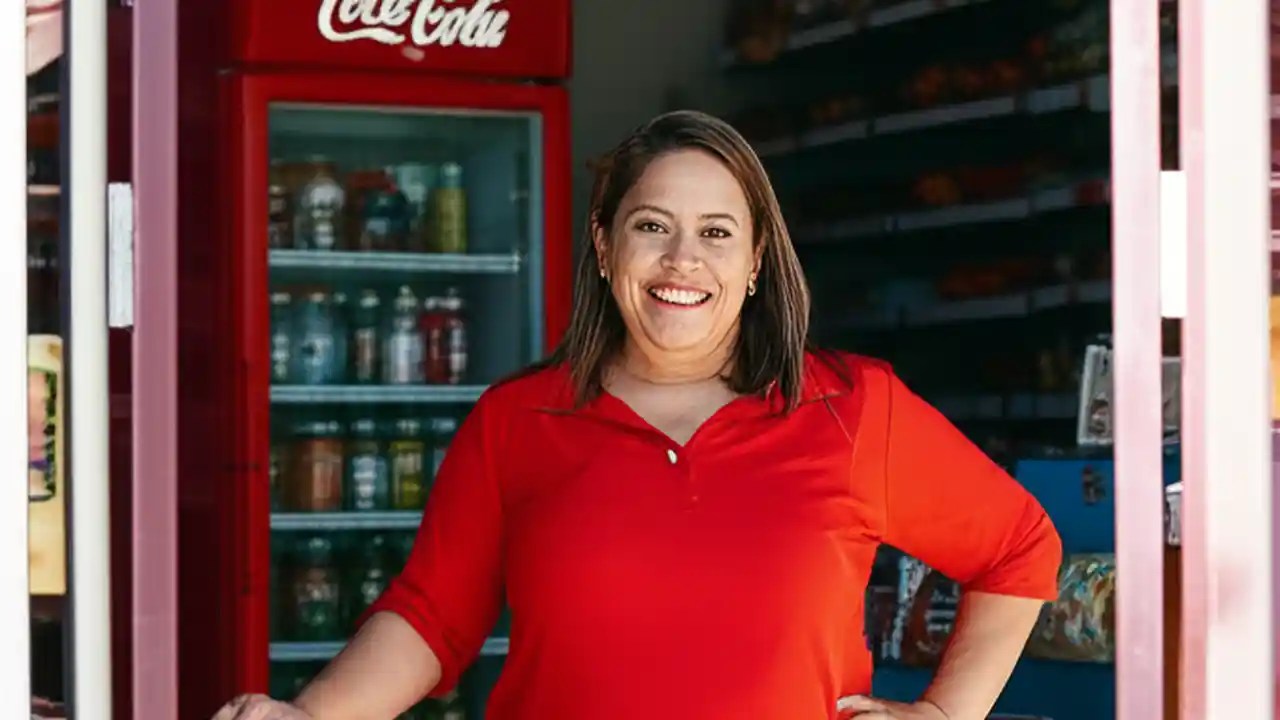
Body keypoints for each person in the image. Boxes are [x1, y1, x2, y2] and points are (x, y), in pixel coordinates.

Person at [215, 110, 1062, 720]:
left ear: (758, 262)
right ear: (603, 243)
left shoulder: (852, 409)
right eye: (652, 225)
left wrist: (946, 712)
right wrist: (313, 717)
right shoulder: (519, 422)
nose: (682, 259)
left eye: (717, 233)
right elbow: (432, 617)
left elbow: (1020, 549)